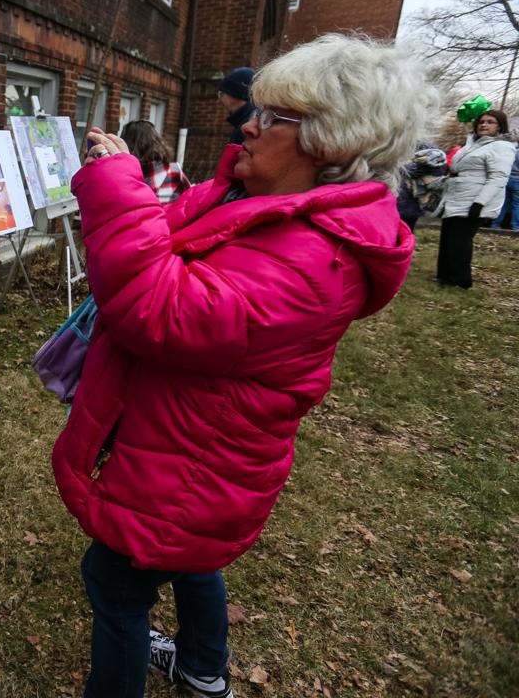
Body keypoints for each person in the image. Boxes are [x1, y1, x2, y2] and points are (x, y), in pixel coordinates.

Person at [54, 34, 437, 698]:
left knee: (113, 585)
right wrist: (152, 191)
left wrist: (117, 187)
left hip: (193, 458)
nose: (249, 127)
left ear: (333, 142)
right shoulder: (256, 201)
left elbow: (158, 308)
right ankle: (203, 668)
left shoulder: (318, 258)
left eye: (273, 116)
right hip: (190, 447)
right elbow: (170, 239)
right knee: (188, 555)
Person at [435, 109, 515, 287]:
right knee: (448, 237)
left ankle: (460, 281)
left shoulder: (501, 147)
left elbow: (498, 178)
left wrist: (479, 203)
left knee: (460, 240)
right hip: (456, 196)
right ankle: (445, 276)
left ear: (499, 126)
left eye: (490, 122)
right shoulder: (472, 144)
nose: (484, 125)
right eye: (481, 121)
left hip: (474, 199)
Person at [120, 119, 190, 204]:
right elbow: (191, 200)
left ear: (125, 144)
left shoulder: (121, 177)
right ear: (156, 141)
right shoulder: (174, 171)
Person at [396, 144, 449, 231]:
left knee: (404, 231)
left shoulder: (426, 149)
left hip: (406, 202)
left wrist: (402, 168)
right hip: (402, 201)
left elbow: (437, 171)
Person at [217, 66, 255, 144]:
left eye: (221, 94)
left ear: (234, 94)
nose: (219, 101)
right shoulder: (249, 120)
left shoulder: (246, 127)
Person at [490, 143, 519, 231]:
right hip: (517, 181)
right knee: (517, 205)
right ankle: (515, 226)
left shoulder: (513, 151)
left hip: (507, 179)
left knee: (503, 203)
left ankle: (495, 224)